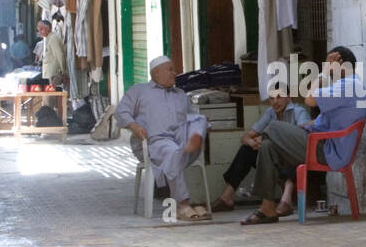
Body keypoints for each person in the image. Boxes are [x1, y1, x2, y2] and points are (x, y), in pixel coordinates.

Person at [242, 46, 366, 225]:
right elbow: (321, 120)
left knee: (273, 127)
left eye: (328, 63)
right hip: (322, 144)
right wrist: (297, 130)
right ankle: (267, 207)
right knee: (268, 147)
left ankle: (271, 201)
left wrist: (323, 74)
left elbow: (310, 99)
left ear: (339, 63)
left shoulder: (349, 85)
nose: (325, 66)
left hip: (327, 151)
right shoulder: (348, 85)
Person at [115, 56, 210, 221]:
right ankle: (183, 204)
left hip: (182, 142)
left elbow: (193, 117)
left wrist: (197, 132)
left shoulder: (180, 94)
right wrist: (134, 126)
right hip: (153, 142)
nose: (175, 73)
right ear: (156, 74)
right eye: (170, 69)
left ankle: (189, 146)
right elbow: (121, 111)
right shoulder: (139, 90)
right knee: (173, 152)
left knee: (197, 122)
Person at [209, 89, 310, 214]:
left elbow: (302, 139)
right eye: (272, 98)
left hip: (293, 155)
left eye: (279, 97)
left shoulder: (298, 112)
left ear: (288, 97)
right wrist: (253, 143)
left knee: (276, 147)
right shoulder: (270, 112)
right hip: (273, 156)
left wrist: (266, 139)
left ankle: (287, 200)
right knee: (247, 150)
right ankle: (227, 197)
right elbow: (246, 137)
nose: (275, 102)